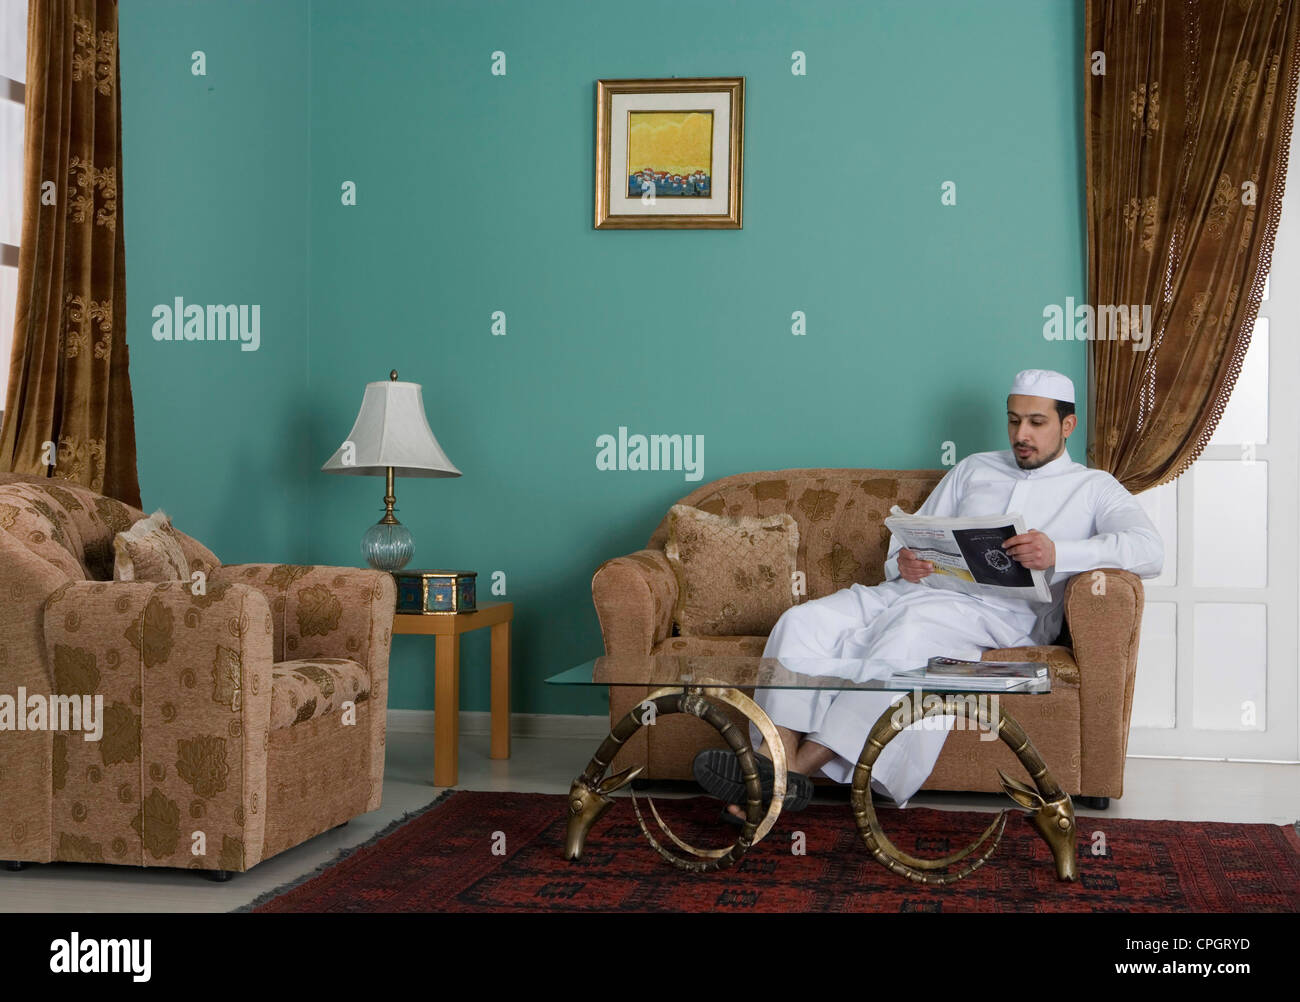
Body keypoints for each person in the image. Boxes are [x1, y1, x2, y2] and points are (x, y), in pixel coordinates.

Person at [693, 369, 1165, 821]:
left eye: (1037, 423)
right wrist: (903, 561)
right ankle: (771, 763)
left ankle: (789, 774)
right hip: (910, 591)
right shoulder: (973, 468)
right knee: (800, 622)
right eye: (1014, 420)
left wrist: (1058, 552)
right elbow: (912, 535)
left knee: (908, 638)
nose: (1022, 433)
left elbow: (1149, 550)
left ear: (1068, 425)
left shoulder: (1093, 488)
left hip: (994, 615)